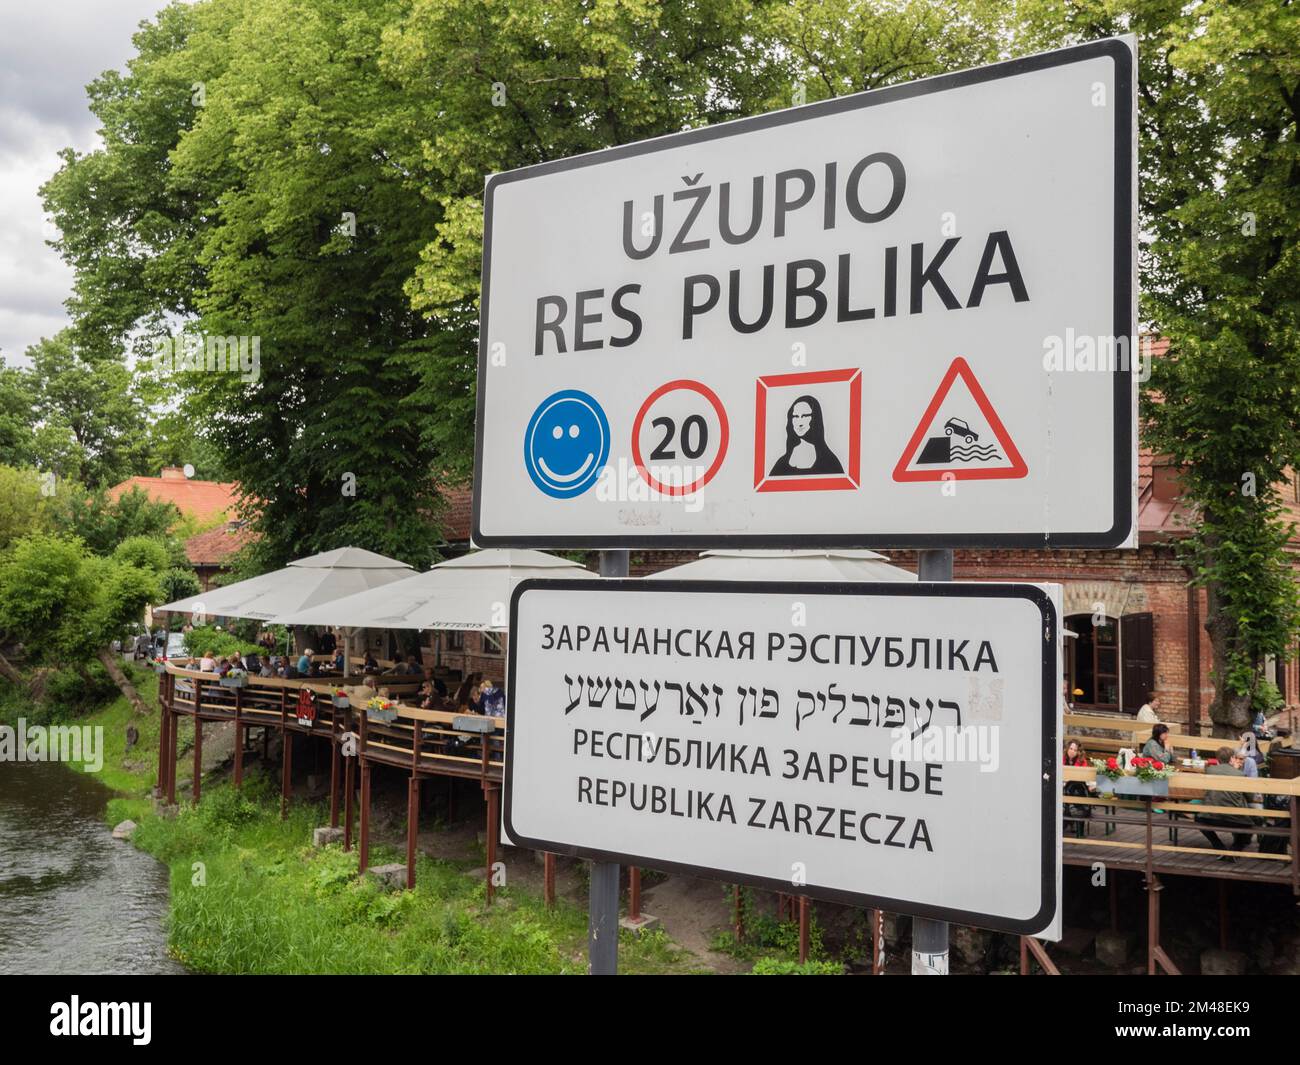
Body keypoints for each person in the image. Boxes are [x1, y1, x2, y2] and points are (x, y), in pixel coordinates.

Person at [1195, 747, 1255, 855]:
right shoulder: (1240, 774)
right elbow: (1251, 797)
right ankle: (1235, 849)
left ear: (1217, 759)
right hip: (1235, 819)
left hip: (1211, 817)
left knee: (1198, 818)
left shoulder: (1210, 770)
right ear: (1232, 758)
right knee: (1249, 824)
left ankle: (1219, 846)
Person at [767, 395, 844, 477]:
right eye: (795, 416)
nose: (799, 423)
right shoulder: (782, 462)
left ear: (815, 418)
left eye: (805, 416)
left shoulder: (830, 461)